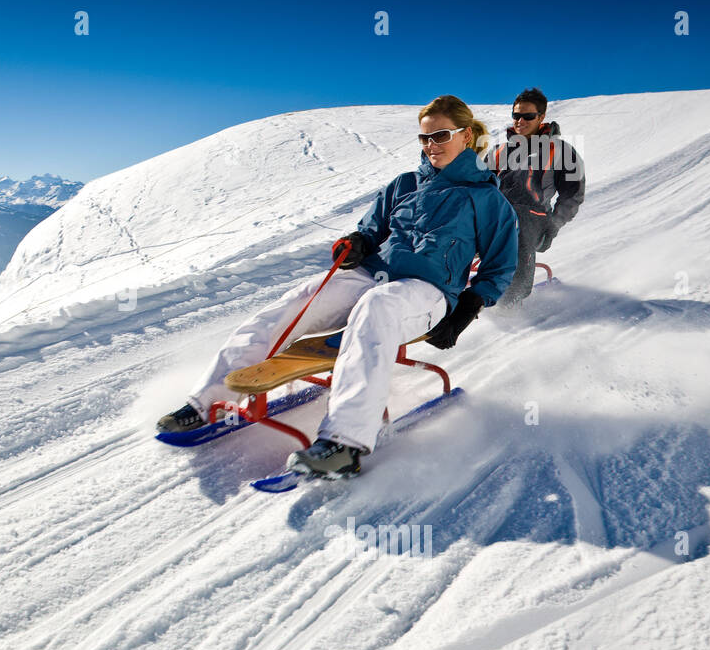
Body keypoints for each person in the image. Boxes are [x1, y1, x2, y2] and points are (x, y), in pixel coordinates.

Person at [156, 95, 519, 478]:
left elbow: (499, 267)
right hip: (375, 276)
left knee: (378, 307)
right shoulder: (405, 184)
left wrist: (466, 309)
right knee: (300, 299)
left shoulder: (487, 199)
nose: (431, 146)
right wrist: (356, 244)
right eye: (424, 138)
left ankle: (344, 443)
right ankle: (208, 402)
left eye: (440, 136)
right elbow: (369, 229)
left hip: (426, 292)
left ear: (465, 136)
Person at [486, 87, 586, 306]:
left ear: (541, 117)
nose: (520, 121)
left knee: (518, 219)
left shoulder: (559, 151)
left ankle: (510, 302)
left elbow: (573, 194)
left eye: (528, 116)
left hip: (534, 219)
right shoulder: (498, 151)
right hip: (495, 218)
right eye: (516, 115)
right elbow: (478, 188)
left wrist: (554, 223)